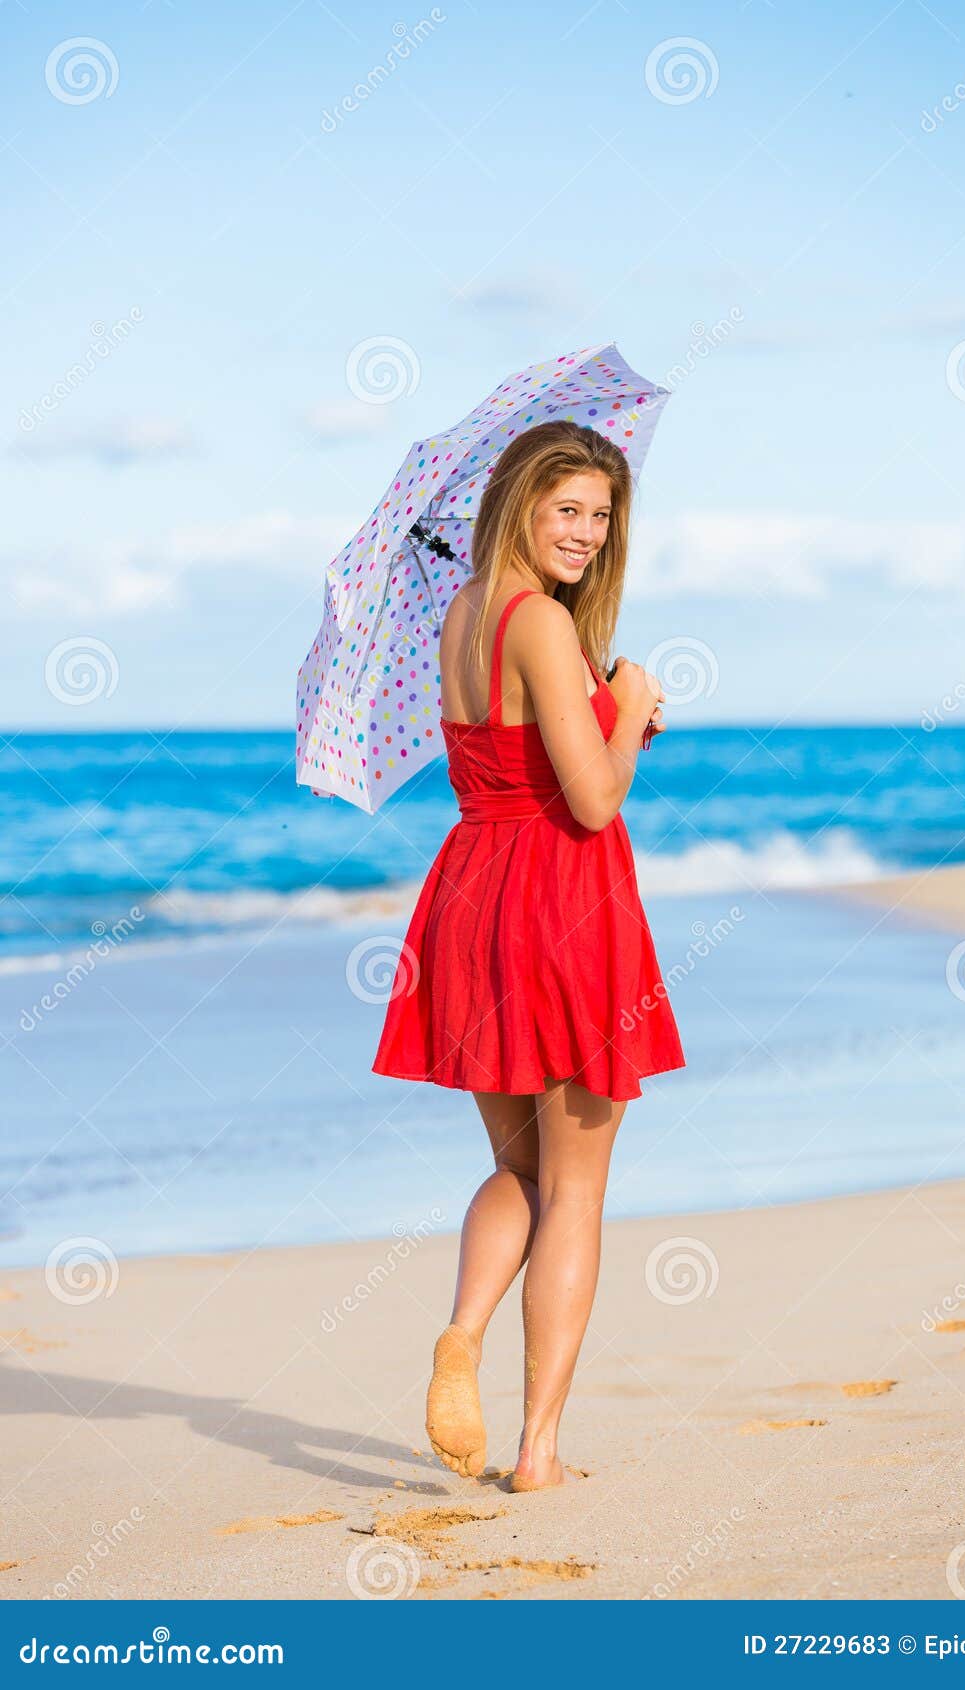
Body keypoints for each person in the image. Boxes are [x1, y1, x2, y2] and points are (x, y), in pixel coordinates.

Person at [372, 419, 686, 1491]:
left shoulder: (466, 613)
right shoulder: (540, 625)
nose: (588, 534)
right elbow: (591, 802)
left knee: (522, 1168)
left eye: (601, 516)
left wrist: (606, 718)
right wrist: (632, 703)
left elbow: (518, 764)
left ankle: (461, 1331)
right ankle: (538, 1452)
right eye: (568, 510)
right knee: (578, 1191)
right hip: (560, 901)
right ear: (516, 504)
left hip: (471, 896)